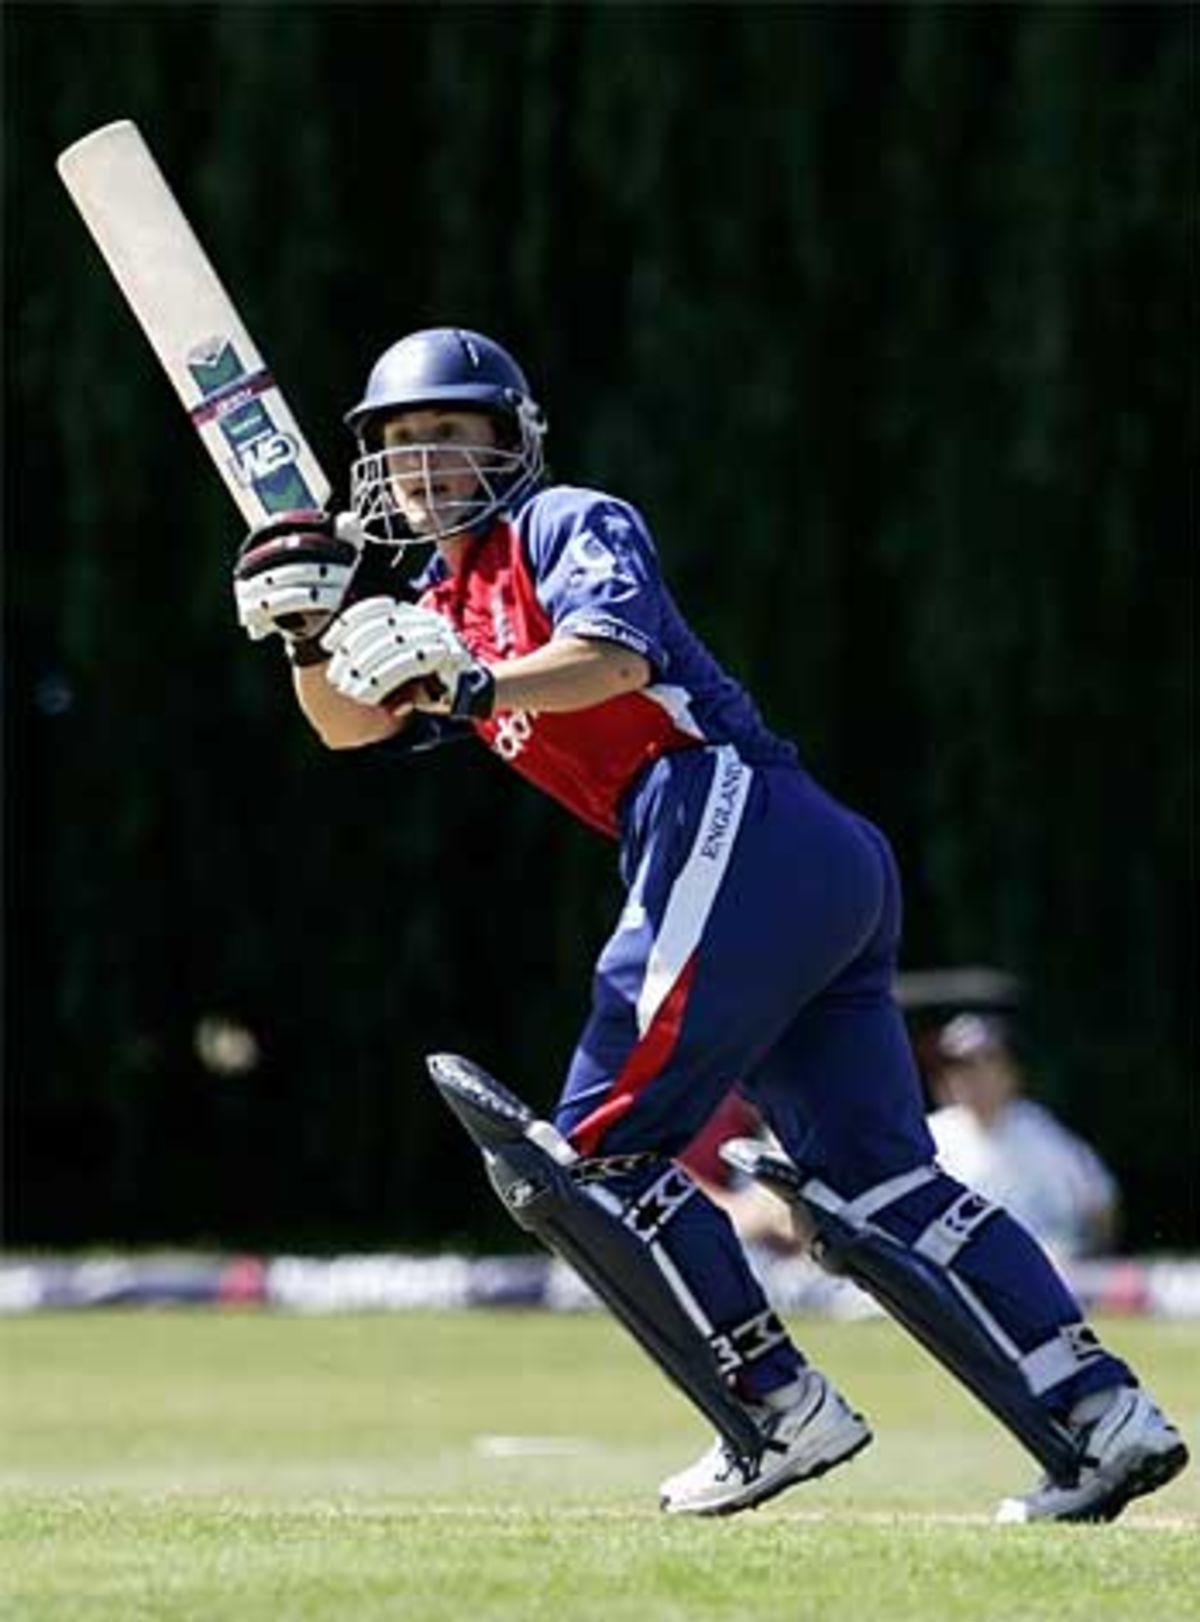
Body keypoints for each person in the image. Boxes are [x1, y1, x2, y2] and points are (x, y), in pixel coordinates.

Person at [232, 326, 1186, 1522]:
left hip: (723, 806)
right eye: (405, 442)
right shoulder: (436, 598)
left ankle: (772, 1405)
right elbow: (349, 725)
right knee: (874, 1187)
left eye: (453, 435)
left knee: (587, 1162)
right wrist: (306, 631)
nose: (428, 463)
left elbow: (613, 661)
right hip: (801, 866)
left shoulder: (568, 520)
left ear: (513, 441)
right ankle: (1100, 1416)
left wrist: (477, 682)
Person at [927, 1014, 1121, 1262]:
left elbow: (1100, 1205)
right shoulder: (932, 1136)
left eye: (987, 1062)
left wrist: (1095, 1263)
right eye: (961, 1065)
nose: (974, 1076)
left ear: (1011, 1073)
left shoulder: (1041, 1132)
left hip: (1046, 1269)